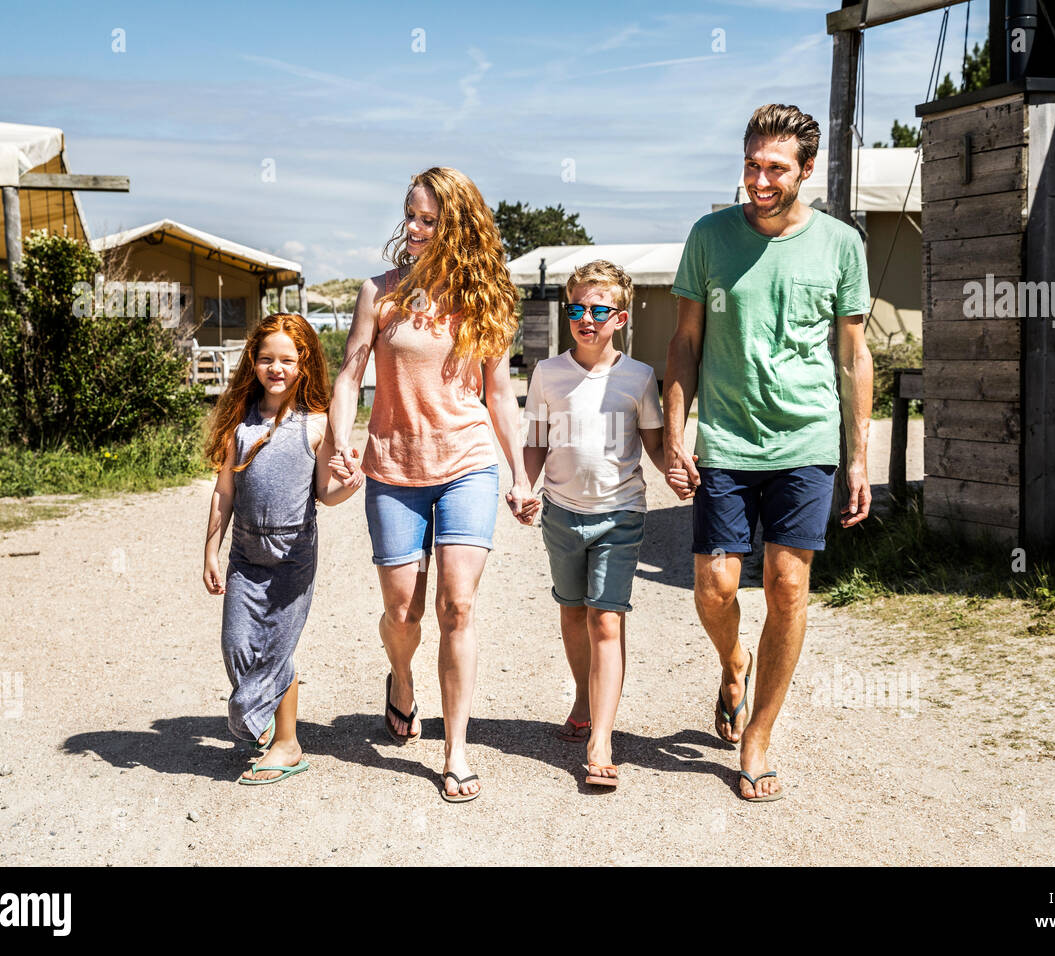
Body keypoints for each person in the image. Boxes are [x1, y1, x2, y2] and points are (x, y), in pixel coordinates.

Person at [664, 104, 873, 802]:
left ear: (805, 170)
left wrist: (859, 457)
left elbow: (852, 357)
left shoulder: (841, 245)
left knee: (787, 585)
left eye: (774, 168)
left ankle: (758, 735)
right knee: (716, 586)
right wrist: (676, 429)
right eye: (751, 164)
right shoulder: (709, 237)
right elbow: (685, 342)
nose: (758, 178)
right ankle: (733, 660)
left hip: (807, 438)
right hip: (725, 436)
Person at [328, 167, 537, 804]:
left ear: (458, 227)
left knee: (458, 606)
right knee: (402, 612)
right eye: (411, 217)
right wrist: (342, 438)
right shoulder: (379, 293)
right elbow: (350, 372)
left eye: (430, 221)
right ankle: (400, 678)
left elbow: (499, 396)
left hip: (467, 461)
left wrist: (520, 475)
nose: (414, 231)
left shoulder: (486, 300)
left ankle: (456, 750)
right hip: (392, 467)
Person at [203, 312, 363, 785]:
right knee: (237, 645)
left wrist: (351, 485)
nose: (276, 368)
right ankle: (260, 717)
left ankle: (286, 744)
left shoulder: (316, 425)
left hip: (293, 555)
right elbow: (223, 493)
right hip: (244, 557)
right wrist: (211, 552)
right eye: (267, 358)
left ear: (304, 365)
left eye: (287, 360)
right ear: (253, 362)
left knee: (277, 650)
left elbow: (325, 494)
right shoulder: (239, 424)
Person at [522, 260, 664, 788]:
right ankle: (582, 698)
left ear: (619, 317)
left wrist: (679, 465)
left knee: (606, 619)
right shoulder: (547, 374)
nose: (586, 318)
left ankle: (600, 738)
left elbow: (653, 442)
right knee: (573, 612)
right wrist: (523, 483)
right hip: (560, 513)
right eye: (577, 308)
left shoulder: (638, 377)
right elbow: (535, 438)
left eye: (598, 310)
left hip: (620, 513)